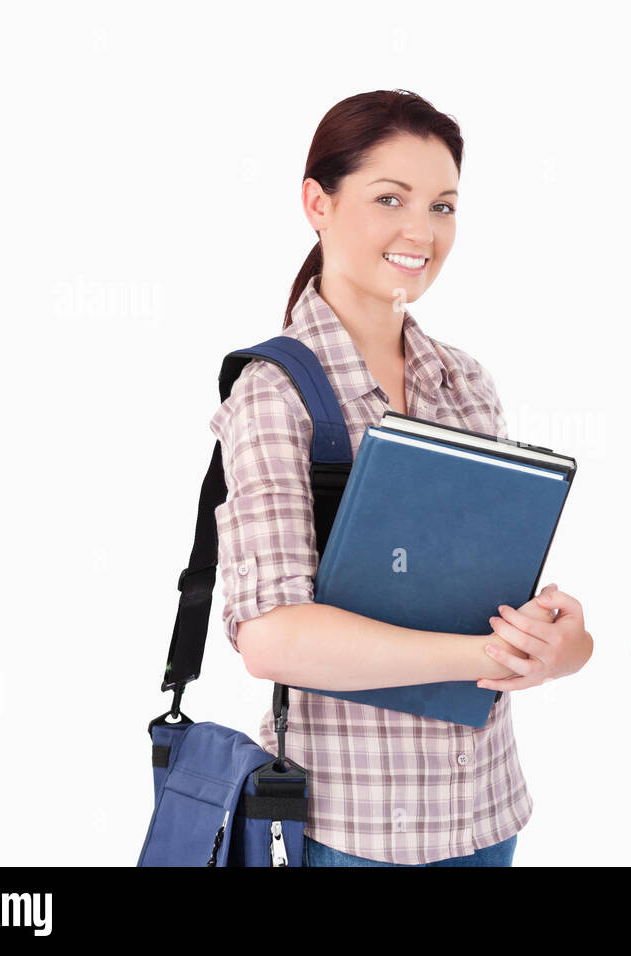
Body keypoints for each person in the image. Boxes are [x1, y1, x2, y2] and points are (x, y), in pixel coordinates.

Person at [211, 90, 593, 867]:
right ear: (317, 202)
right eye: (391, 199)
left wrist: (558, 638)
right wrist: (482, 658)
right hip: (351, 830)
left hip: (486, 815)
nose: (422, 231)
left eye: (443, 205)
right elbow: (272, 638)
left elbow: (490, 594)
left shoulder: (466, 383)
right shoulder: (276, 393)